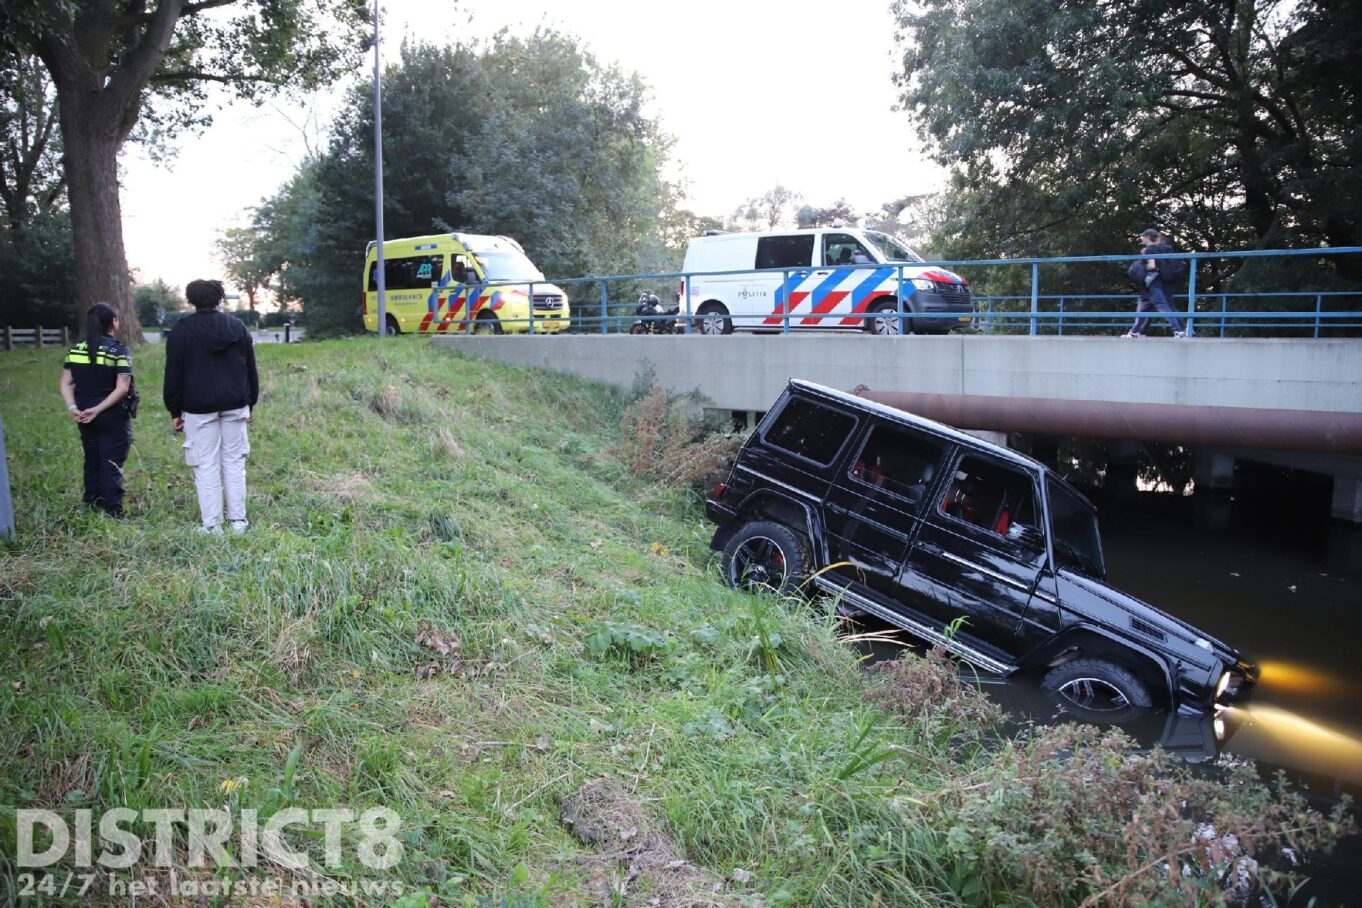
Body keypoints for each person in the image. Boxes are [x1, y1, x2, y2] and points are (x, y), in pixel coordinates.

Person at [163, 279, 259, 534]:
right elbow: (250, 367)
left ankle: (212, 525)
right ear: (220, 299)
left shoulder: (180, 331)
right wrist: (251, 402)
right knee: (234, 462)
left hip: (198, 407)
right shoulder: (237, 327)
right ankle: (238, 521)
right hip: (235, 404)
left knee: (205, 464)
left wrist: (174, 410)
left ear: (190, 300)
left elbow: (173, 374)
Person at [60, 303, 134, 517]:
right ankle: (113, 510)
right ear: (113, 322)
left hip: (82, 409)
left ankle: (92, 502)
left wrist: (73, 407)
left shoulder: (76, 349)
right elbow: (122, 387)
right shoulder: (118, 350)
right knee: (112, 460)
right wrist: (99, 409)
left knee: (92, 457)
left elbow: (65, 383)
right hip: (111, 412)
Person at [1122, 228, 1188, 338]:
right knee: (1143, 310)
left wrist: (1142, 268)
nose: (1142, 238)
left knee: (1163, 307)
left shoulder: (1150, 249)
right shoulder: (1157, 248)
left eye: (1143, 236)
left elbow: (1152, 266)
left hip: (1152, 284)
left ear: (1148, 237)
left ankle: (1178, 331)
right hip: (1153, 284)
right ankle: (1133, 332)